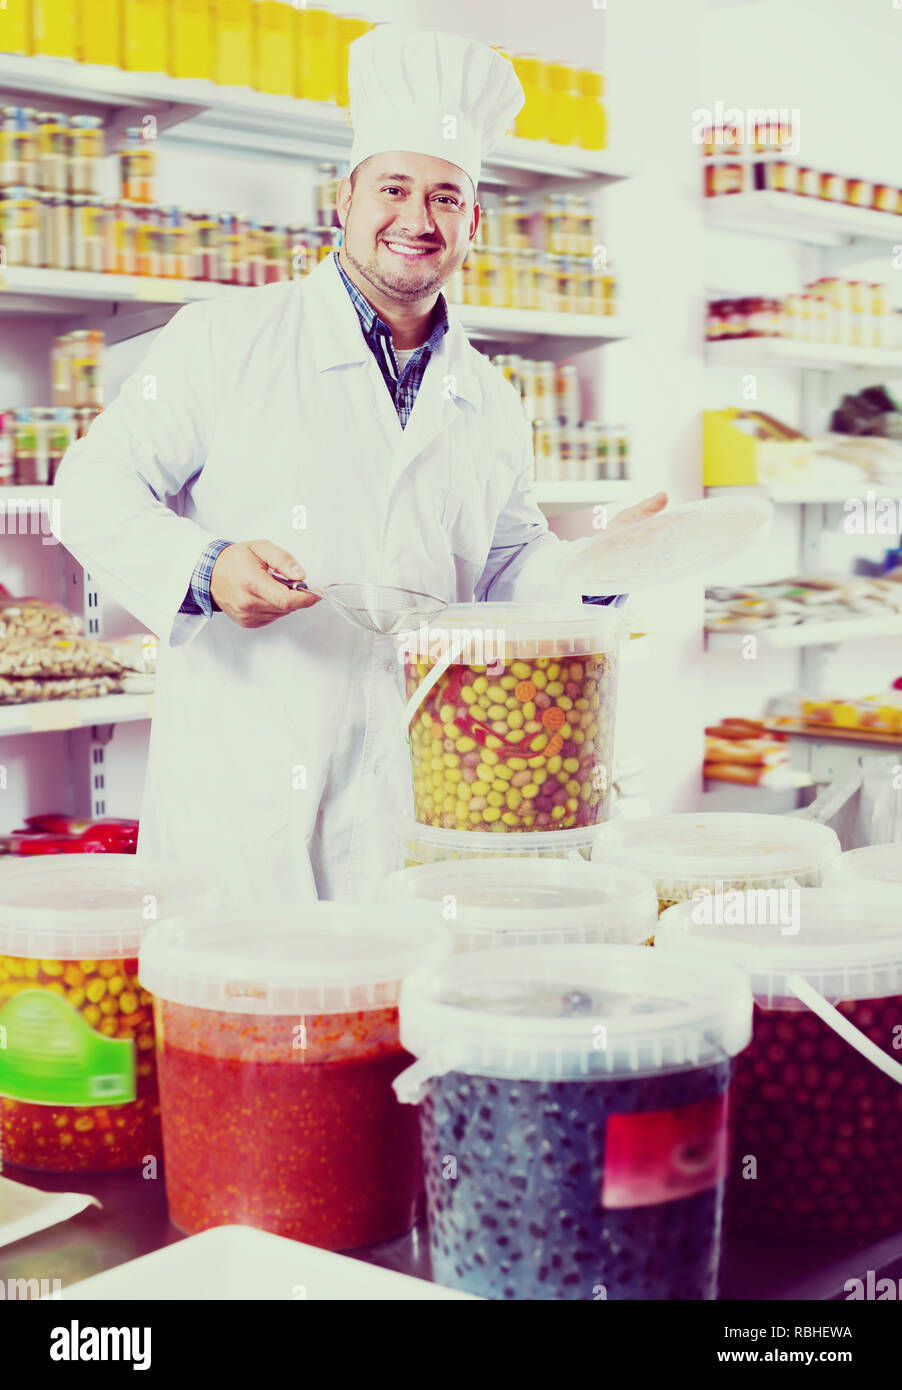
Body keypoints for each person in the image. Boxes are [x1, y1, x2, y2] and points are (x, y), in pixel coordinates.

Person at [54, 25, 665, 905]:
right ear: (344, 198)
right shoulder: (226, 340)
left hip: (416, 794)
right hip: (247, 790)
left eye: (447, 198)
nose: (417, 220)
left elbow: (501, 566)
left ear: (474, 223)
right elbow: (91, 486)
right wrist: (207, 567)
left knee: (398, 1021)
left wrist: (597, 568)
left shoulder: (490, 396)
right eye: (395, 188)